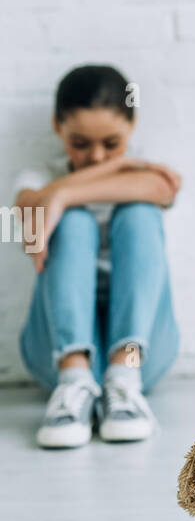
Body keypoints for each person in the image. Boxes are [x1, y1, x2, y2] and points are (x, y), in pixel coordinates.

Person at [14, 64, 181, 447]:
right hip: (54, 354)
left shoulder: (143, 174)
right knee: (71, 222)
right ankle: (73, 384)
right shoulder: (37, 176)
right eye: (80, 143)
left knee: (139, 212)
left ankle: (123, 382)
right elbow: (27, 211)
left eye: (112, 144)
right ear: (57, 127)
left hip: (142, 357)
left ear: (131, 127)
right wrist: (61, 198)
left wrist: (63, 194)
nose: (96, 156)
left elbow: (164, 189)